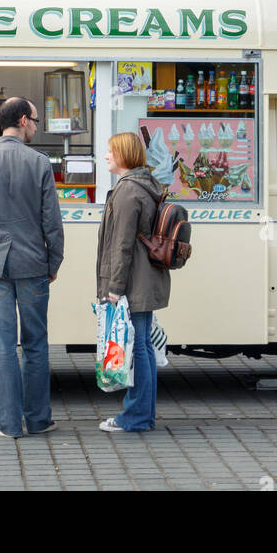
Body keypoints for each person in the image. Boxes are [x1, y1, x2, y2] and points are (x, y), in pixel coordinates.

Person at [0, 96, 64, 438]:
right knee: (35, 343)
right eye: (34, 120)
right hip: (33, 263)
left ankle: (7, 423)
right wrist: (54, 260)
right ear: (22, 120)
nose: (35, 125)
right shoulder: (39, 163)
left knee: (1, 345)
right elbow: (51, 221)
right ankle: (38, 420)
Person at [95, 132, 170, 433]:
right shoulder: (144, 185)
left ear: (124, 154)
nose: (106, 156)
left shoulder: (127, 191)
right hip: (144, 279)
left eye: (111, 151)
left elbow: (122, 245)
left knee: (138, 348)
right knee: (143, 347)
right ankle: (144, 415)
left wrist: (114, 287)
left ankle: (136, 417)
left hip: (132, 282)